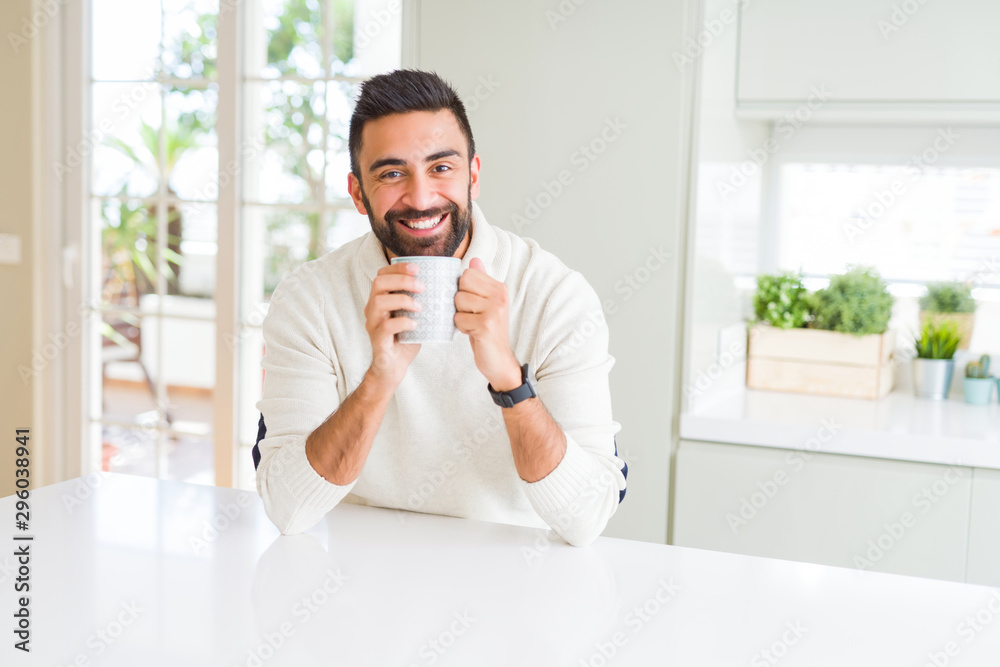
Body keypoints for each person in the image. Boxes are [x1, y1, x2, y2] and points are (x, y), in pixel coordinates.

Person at [253, 69, 627, 547]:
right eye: (391, 174)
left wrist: (509, 381)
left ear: (473, 175)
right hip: (359, 574)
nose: (421, 198)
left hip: (517, 572)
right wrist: (379, 379)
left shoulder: (556, 296)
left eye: (441, 168)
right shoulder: (308, 300)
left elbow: (586, 518)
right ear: (358, 193)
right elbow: (289, 509)